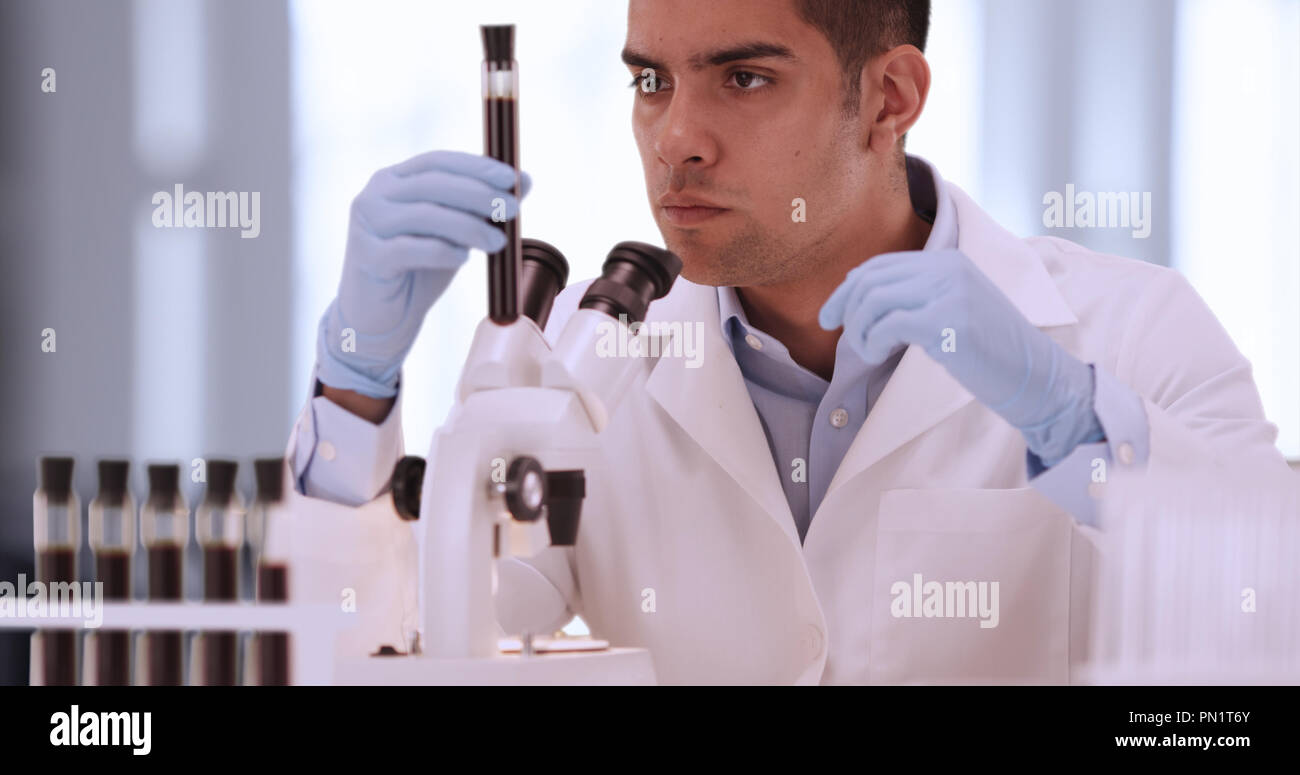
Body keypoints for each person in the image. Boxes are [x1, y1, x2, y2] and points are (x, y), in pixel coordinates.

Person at [284, 0, 1294, 683]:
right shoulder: (583, 364)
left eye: (744, 78)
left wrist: (1078, 428)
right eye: (650, 81)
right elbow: (412, 650)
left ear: (889, 98)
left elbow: (1266, 625)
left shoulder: (1130, 330)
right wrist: (353, 388)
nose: (676, 136)